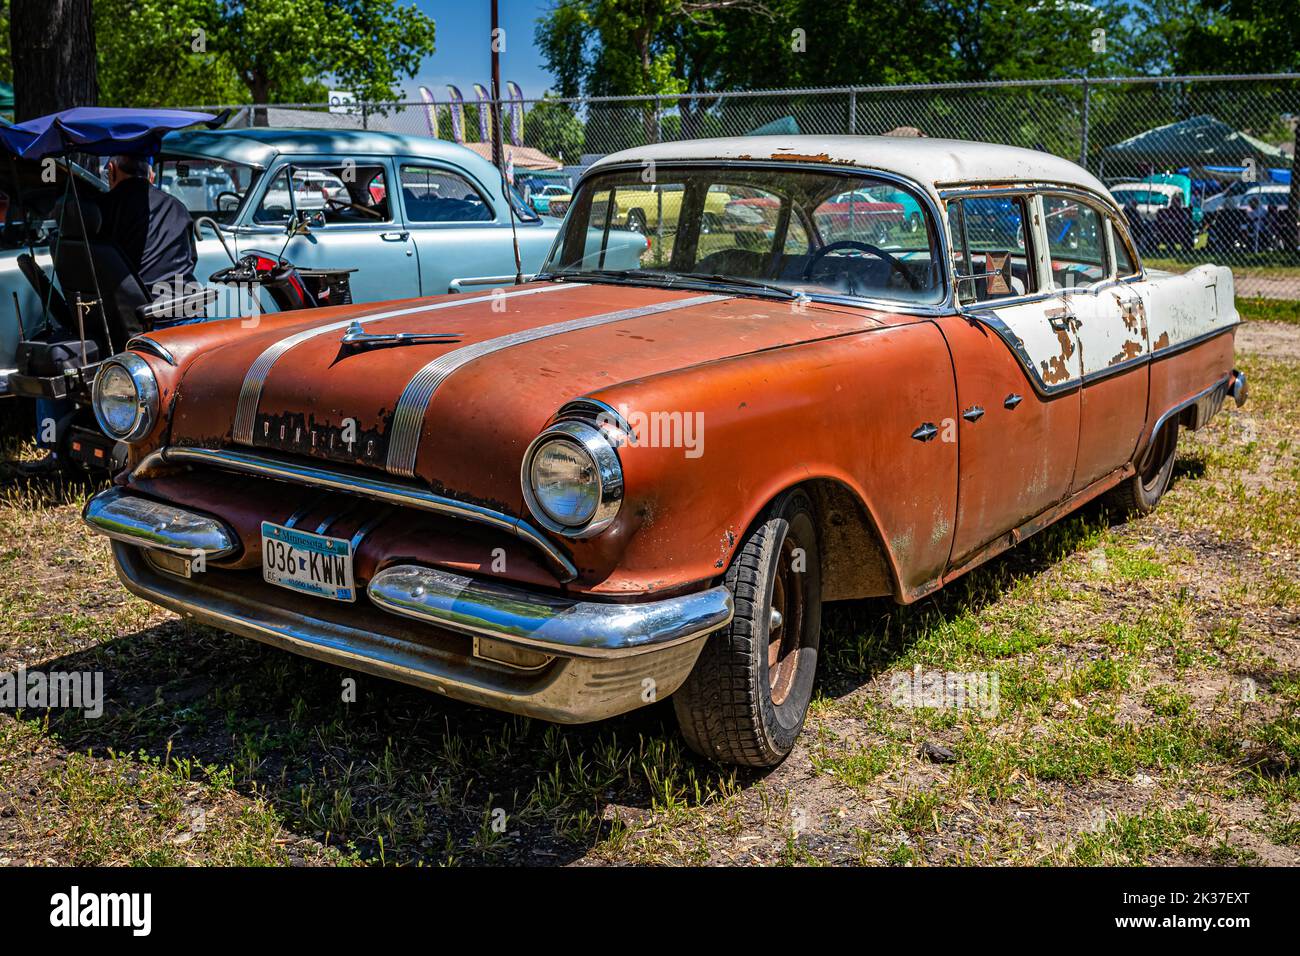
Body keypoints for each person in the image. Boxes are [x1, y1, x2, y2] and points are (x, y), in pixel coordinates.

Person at [95, 153, 197, 292]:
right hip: (183, 303)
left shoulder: (101, 209)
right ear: (151, 176)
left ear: (112, 170)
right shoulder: (178, 208)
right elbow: (191, 258)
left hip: (130, 306)